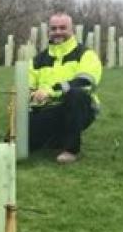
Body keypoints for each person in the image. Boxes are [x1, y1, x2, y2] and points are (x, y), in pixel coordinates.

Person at [27, 13, 102, 163]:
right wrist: (33, 94)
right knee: (27, 143)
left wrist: (50, 91)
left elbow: (85, 82)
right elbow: (26, 85)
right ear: (49, 31)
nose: (58, 32)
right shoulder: (38, 59)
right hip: (46, 108)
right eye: (53, 28)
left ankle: (71, 150)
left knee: (76, 95)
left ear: (72, 30)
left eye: (63, 28)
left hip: (78, 108)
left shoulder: (86, 54)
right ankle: (54, 139)